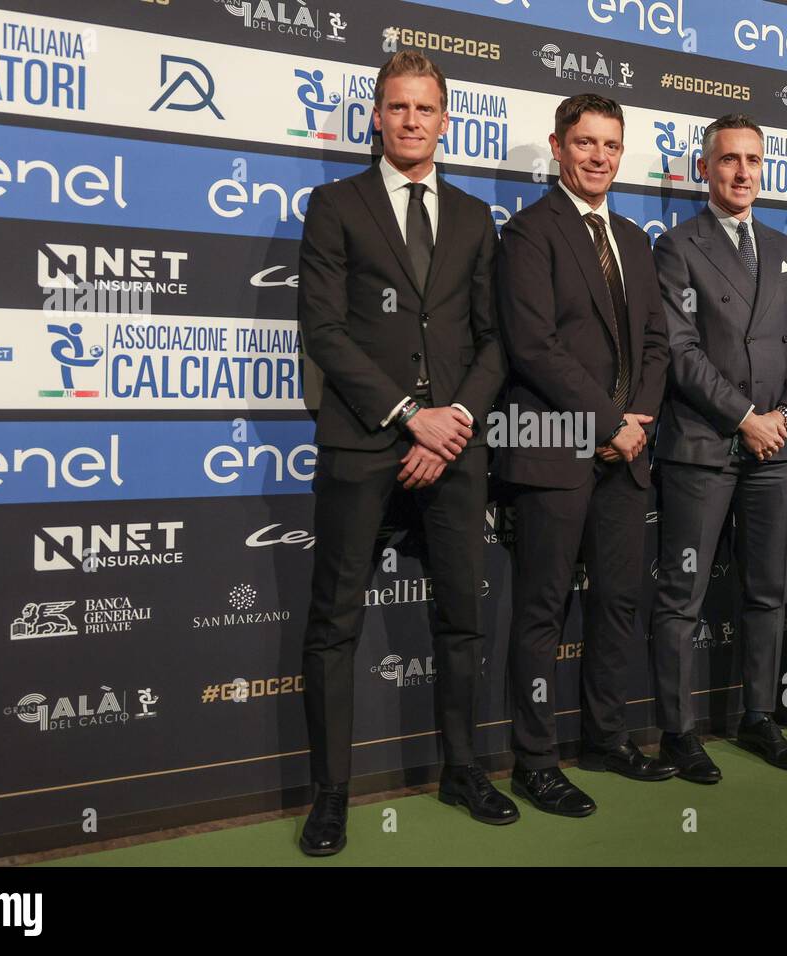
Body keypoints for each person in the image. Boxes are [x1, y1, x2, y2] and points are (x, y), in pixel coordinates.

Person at [295, 51, 514, 856]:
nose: (411, 120)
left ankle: (463, 769)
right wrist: (405, 417)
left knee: (462, 618)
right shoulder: (334, 205)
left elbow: (494, 340)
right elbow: (324, 330)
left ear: (444, 119)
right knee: (334, 625)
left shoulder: (471, 218)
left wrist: (451, 417)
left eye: (425, 108)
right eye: (397, 107)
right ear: (377, 117)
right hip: (363, 442)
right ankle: (331, 796)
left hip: (454, 447)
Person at [497, 93, 673, 816]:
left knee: (618, 604)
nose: (598, 156)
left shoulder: (633, 237)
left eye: (610, 145)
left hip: (626, 456)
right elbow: (533, 346)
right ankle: (535, 759)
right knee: (543, 610)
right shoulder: (528, 234)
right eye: (585, 143)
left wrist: (637, 422)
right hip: (553, 450)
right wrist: (605, 420)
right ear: (557, 147)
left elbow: (658, 343)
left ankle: (606, 735)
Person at [649, 114, 787, 781]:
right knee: (681, 597)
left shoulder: (783, 248)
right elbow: (681, 352)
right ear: (705, 168)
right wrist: (745, 415)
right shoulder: (677, 247)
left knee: (768, 592)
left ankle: (759, 718)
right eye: (729, 160)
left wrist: (785, 416)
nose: (743, 172)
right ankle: (677, 732)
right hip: (703, 446)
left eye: (753, 160)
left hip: (776, 449)